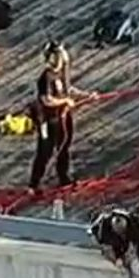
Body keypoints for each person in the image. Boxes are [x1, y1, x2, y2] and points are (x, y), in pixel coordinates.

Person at [29, 41, 89, 192]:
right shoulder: (46, 77)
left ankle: (64, 178)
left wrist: (87, 95)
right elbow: (46, 100)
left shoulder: (63, 72)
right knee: (45, 151)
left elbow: (68, 89)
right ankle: (34, 184)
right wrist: (65, 101)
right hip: (48, 120)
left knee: (64, 147)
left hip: (63, 116)